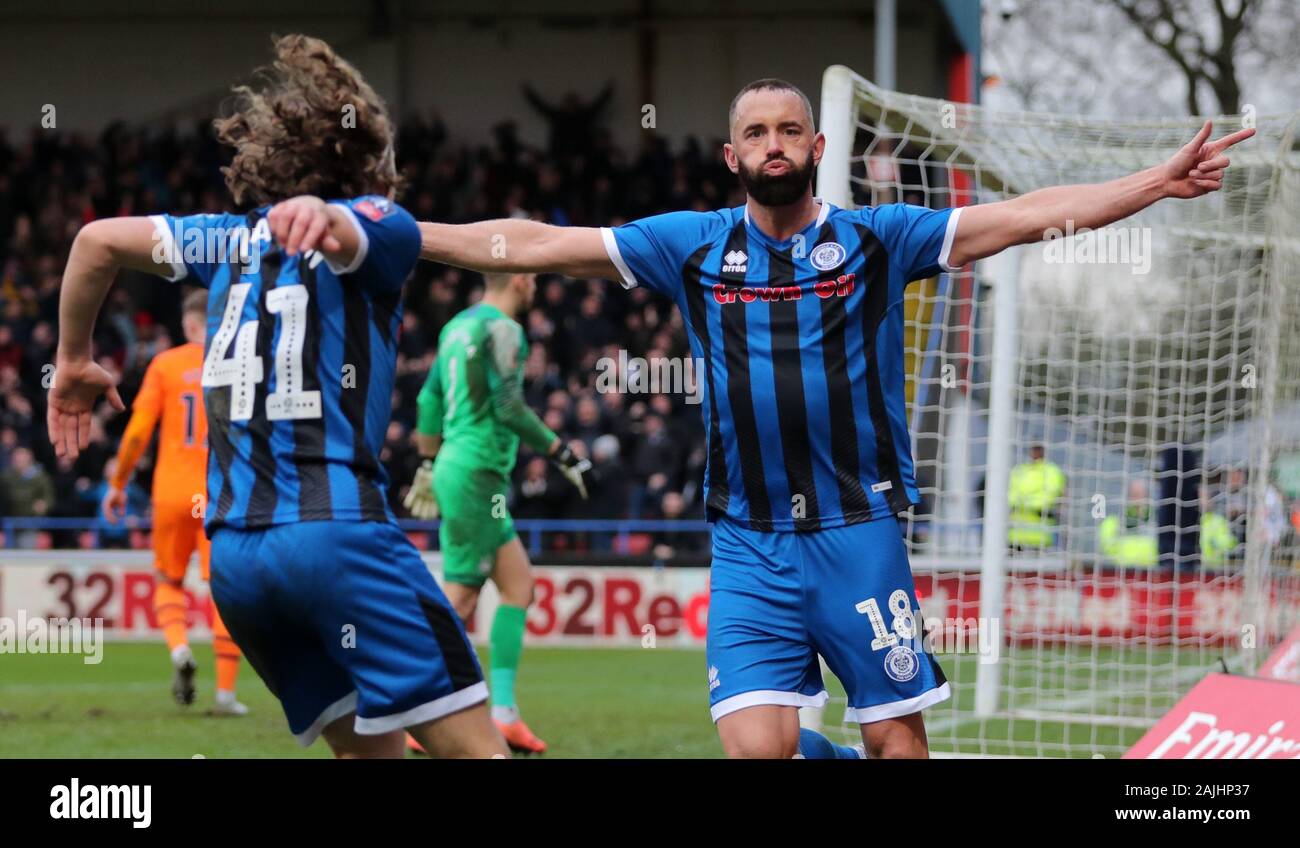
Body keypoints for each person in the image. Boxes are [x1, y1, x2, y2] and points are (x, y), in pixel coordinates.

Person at [274, 78, 1252, 758]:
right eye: (759, 134)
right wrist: (387, 228)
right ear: (731, 153)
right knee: (757, 745)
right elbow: (535, 241)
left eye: (791, 131)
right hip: (746, 540)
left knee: (894, 738)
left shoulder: (880, 237)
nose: (776, 145)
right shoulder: (692, 247)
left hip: (858, 532)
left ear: (814, 148)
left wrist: (1151, 185)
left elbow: (1032, 214)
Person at [46, 34, 505, 759]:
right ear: (371, 160)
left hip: (237, 562)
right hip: (334, 537)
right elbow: (359, 228)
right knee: (479, 753)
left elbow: (96, 241)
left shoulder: (226, 240)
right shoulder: (387, 225)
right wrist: (329, 218)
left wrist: (72, 360)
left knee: (368, 754)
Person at [404, 271, 591, 754]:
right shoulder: (505, 330)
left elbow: (428, 401)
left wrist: (427, 464)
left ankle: (503, 713)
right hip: (477, 470)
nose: (536, 285)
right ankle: (414, 708)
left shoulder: (454, 328)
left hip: (460, 468)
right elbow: (509, 408)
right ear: (520, 278)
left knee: (518, 587)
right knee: (461, 598)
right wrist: (562, 453)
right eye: (533, 276)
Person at [104, 289, 246, 714]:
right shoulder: (238, 363)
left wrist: (119, 482)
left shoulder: (165, 364)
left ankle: (180, 649)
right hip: (218, 496)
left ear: (187, 325)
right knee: (224, 591)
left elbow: (136, 432)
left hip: (169, 495)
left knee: (168, 581)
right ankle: (225, 695)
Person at [1007, 443, 1067, 551]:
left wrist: (1026, 503)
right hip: (1017, 531)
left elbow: (1050, 496)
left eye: (1037, 449)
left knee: (1037, 563)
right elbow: (1011, 494)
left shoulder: (1051, 470)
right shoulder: (1020, 470)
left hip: (1040, 531)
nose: (1035, 452)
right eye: (1033, 449)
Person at [1097, 479, 1158, 568]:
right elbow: (1106, 548)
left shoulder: (1156, 521)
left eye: (1142, 495)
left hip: (1151, 571)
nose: (1139, 499)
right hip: (1122, 572)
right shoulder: (1113, 522)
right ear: (1128, 496)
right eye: (1135, 495)